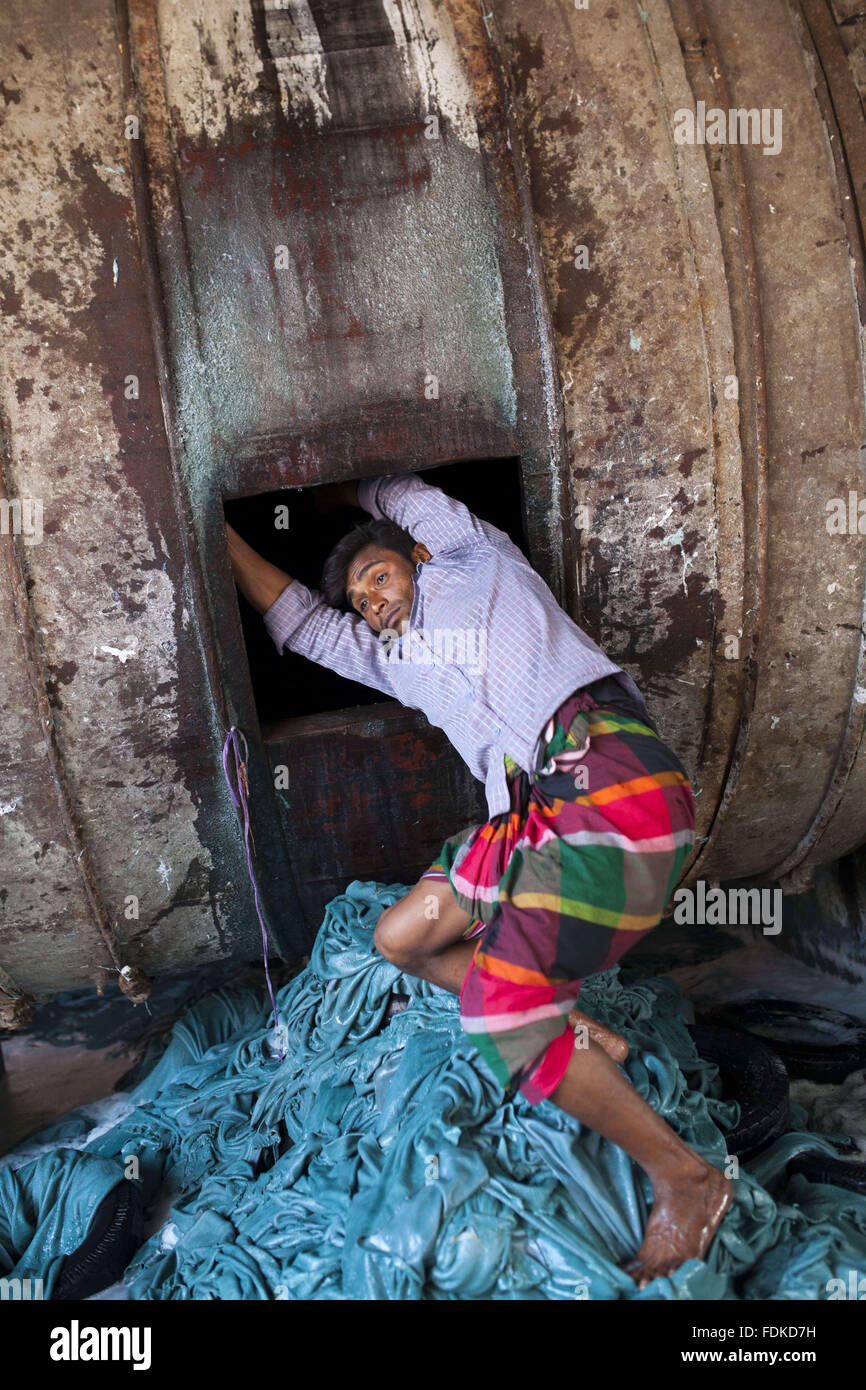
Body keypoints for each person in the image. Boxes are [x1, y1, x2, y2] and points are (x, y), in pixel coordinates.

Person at [225, 471, 732, 1288]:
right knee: (404, 938)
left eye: (379, 578)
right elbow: (301, 621)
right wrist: (216, 535)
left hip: (607, 774)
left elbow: (401, 493)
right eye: (359, 600)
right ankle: (568, 1028)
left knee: (502, 1008)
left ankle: (687, 1178)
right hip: (529, 816)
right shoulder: (394, 661)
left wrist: (340, 493)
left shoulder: (472, 562)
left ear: (420, 558)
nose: (371, 603)